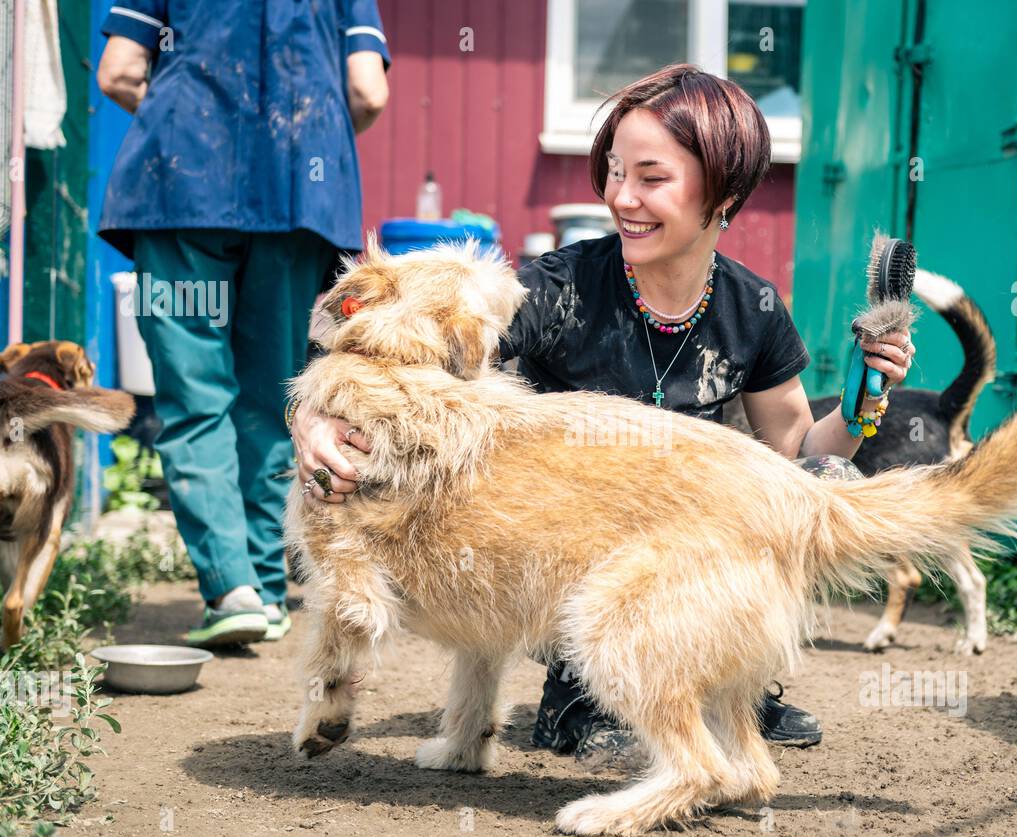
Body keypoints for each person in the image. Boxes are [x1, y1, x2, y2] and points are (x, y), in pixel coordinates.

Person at [291, 64, 914, 763]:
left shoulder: (753, 307)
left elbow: (799, 450)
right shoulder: (554, 290)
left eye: (651, 177)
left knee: (828, 478)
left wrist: (868, 400)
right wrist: (312, 417)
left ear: (724, 191)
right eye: (615, 173)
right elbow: (394, 360)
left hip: (681, 561)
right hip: (563, 568)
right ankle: (585, 689)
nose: (623, 197)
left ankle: (729, 682)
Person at [95, 1, 391, 647]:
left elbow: (119, 72)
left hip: (178, 204)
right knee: (272, 398)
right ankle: (266, 584)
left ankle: (232, 591)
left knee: (191, 396)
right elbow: (367, 91)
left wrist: (191, 133)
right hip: (297, 203)